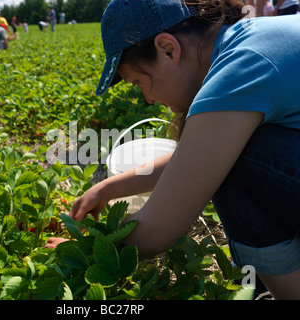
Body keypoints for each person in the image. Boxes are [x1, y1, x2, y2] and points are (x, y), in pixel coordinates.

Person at [49, 0, 300, 300]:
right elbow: (195, 158)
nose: (149, 99)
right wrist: (106, 189)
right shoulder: (250, 39)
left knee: (235, 162)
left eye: (140, 82)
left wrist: (85, 247)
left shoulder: (240, 70)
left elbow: (156, 231)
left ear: (168, 49)